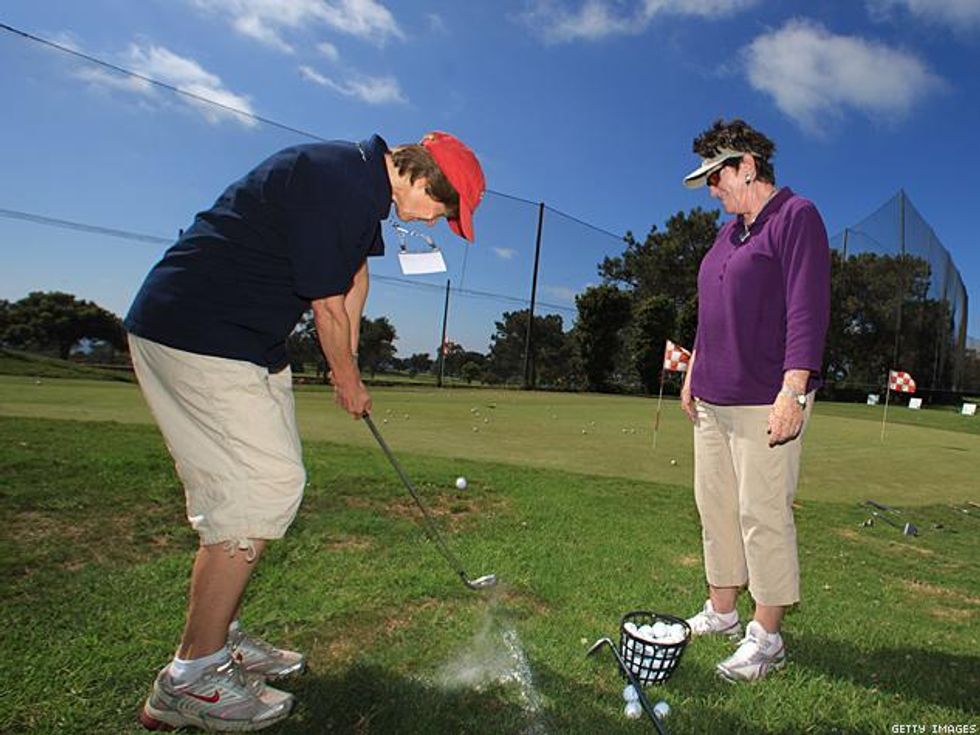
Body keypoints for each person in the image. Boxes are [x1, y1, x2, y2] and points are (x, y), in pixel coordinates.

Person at [126, 131, 485, 731]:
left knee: (263, 488)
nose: (440, 221)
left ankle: (221, 635)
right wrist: (345, 376)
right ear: (423, 180)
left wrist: (354, 358)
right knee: (262, 489)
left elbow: (351, 283)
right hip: (198, 331)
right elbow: (324, 305)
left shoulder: (361, 184)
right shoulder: (340, 180)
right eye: (444, 209)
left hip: (246, 342)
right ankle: (191, 677)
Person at [678, 119, 830, 682]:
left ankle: (767, 636)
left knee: (761, 514)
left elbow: (806, 309)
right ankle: (721, 611)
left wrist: (793, 389)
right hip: (713, 397)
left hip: (766, 398)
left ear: (747, 166)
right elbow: (709, 308)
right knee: (714, 507)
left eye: (716, 177)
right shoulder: (727, 234)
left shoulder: (797, 217)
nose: (712, 190)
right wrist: (694, 371)